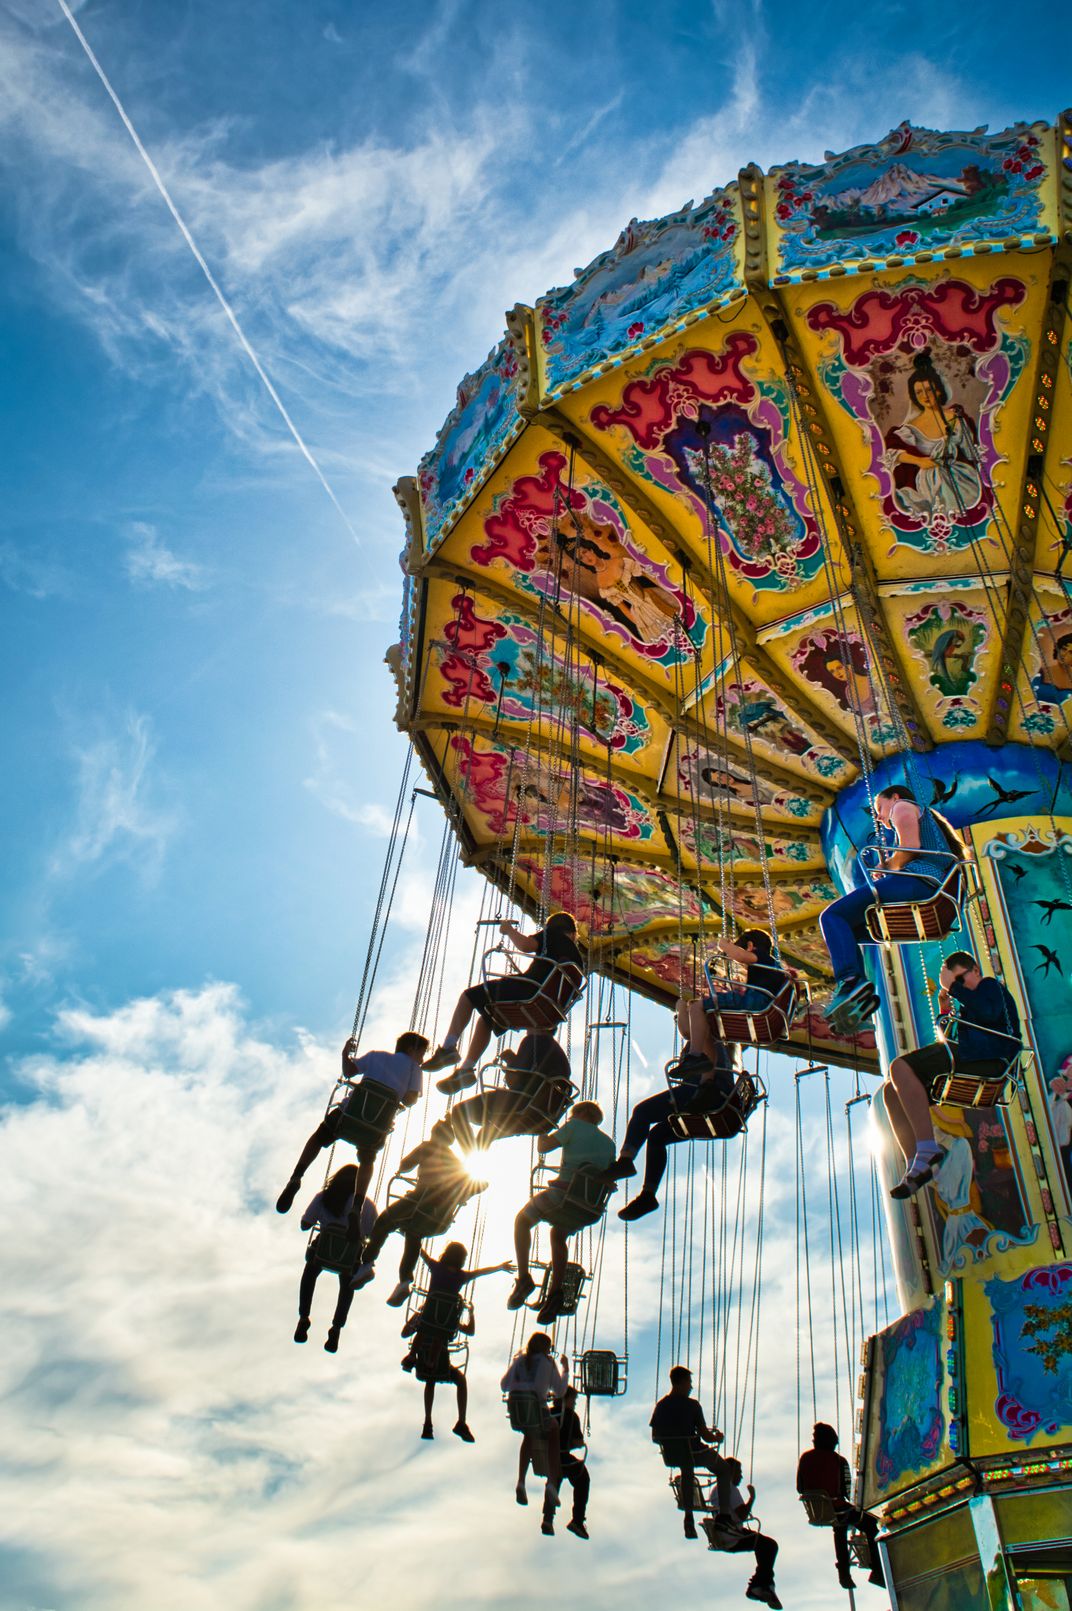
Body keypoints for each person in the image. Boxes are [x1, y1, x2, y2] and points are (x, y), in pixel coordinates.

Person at [821, 785, 963, 1030]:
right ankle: (859, 999)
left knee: (832, 916)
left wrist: (884, 866)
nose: (877, 816)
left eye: (879, 808)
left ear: (894, 798)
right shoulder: (928, 825)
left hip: (919, 883)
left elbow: (911, 847)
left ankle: (849, 981)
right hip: (931, 891)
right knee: (848, 932)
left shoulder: (903, 806)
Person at [882, 951, 1020, 1198]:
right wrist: (944, 1013)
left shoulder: (990, 987)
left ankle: (927, 1151)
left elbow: (989, 1013)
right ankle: (916, 1162)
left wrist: (953, 988)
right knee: (891, 1091)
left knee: (899, 1067)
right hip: (973, 1057)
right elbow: (953, 1036)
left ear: (975, 970)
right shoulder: (972, 1003)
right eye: (955, 981)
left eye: (960, 978)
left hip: (991, 1059)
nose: (957, 986)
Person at [423, 913, 584, 1093]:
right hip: (547, 1005)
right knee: (487, 1018)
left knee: (468, 997)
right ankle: (466, 1069)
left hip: (530, 991)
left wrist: (508, 930)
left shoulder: (552, 934)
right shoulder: (577, 961)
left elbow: (525, 945)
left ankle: (448, 1048)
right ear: (572, 934)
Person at [611, 1000, 736, 1223]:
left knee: (642, 1112)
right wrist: (681, 1008)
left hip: (702, 1093)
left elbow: (690, 1033)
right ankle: (648, 1195)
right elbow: (687, 1031)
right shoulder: (713, 1039)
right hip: (707, 1095)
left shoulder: (709, 1035)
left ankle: (626, 1159)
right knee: (657, 1137)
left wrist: (681, 1005)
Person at [276, 1032, 428, 1214]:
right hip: (374, 1130)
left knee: (318, 1137)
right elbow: (410, 1100)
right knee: (367, 1161)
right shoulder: (415, 1070)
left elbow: (348, 1072)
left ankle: (297, 1176)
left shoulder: (376, 1056)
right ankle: (357, 1205)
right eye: (422, 1053)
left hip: (348, 1117)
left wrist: (345, 1054)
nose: (422, 1059)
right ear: (412, 1049)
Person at [351, 1121, 486, 1305]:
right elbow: (475, 1185)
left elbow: (405, 1165)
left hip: (420, 1202)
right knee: (413, 1234)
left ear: (434, 1134)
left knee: (384, 1221)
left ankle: (367, 1263)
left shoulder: (427, 1147)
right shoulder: (456, 1162)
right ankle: (405, 1281)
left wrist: (407, 1167)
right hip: (440, 1218)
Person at [507, 1101, 616, 1323]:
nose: (569, 1118)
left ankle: (524, 1278)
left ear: (583, 1114)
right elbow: (610, 1175)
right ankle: (555, 1293)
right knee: (558, 1236)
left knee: (522, 1221)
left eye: (573, 1114)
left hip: (564, 1197)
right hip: (589, 1206)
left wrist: (541, 1129)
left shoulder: (575, 1125)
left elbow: (544, 1147)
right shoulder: (609, 1144)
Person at [294, 1164, 377, 1353]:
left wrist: (319, 1219)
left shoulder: (324, 1198)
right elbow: (374, 1236)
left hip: (322, 1253)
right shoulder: (368, 1206)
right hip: (349, 1260)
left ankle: (303, 1317)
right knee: (348, 1285)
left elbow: (305, 1225)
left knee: (309, 1274)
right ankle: (337, 1328)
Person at [446, 1032, 574, 1150]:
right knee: (485, 1134)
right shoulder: (561, 1060)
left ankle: (468, 1157)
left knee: (459, 1112)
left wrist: (509, 1061)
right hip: (542, 1118)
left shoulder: (533, 1041)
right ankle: (471, 1165)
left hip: (521, 1106)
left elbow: (514, 1081)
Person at [797, 1422, 883, 1590]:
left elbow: (800, 1487)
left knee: (839, 1526)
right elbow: (848, 1490)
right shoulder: (839, 1460)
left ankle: (844, 1571)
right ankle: (877, 1569)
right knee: (871, 1525)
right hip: (838, 1507)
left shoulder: (805, 1458)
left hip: (817, 1509)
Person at [683, 930, 789, 1068]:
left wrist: (724, 945)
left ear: (750, 946)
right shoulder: (775, 967)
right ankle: (707, 1079)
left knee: (697, 1007)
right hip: (762, 1003)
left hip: (754, 1001)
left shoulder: (762, 957)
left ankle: (694, 1055)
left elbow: (740, 955)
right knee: (709, 1023)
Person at [650, 1365, 730, 1540]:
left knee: (686, 1468)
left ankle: (689, 1515)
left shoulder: (661, 1406)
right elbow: (706, 1436)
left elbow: (655, 1436)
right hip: (695, 1453)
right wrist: (717, 1438)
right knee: (725, 1470)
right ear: (680, 1382)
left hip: (673, 1455)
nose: (691, 1386)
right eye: (689, 1382)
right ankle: (724, 1516)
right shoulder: (692, 1406)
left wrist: (673, 1440)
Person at [502, 1334, 569, 1523]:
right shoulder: (548, 1363)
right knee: (554, 1429)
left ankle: (521, 1481)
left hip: (518, 1413)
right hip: (536, 1411)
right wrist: (565, 1369)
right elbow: (560, 1391)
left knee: (529, 1435)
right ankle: (552, 1484)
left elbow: (504, 1385)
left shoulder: (519, 1360)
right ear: (546, 1348)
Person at [718, 1456, 782, 1608]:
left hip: (726, 1532)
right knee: (770, 1546)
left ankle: (764, 1584)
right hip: (732, 1536)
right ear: (731, 1472)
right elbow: (742, 1515)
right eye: (739, 1472)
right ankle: (760, 1585)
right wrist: (752, 1498)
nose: (741, 1476)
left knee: (763, 1545)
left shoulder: (718, 1488)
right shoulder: (730, 1489)